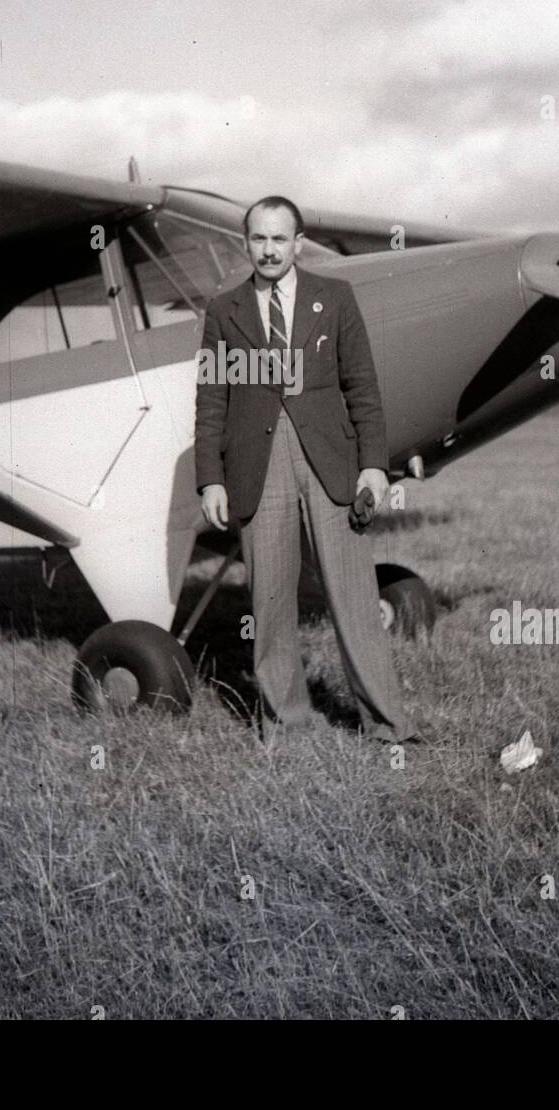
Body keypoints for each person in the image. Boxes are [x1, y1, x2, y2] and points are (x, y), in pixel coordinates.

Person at [193, 195, 425, 744]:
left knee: (352, 595)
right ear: (244, 243)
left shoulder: (335, 298)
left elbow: (362, 389)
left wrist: (373, 467)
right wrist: (211, 478)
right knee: (270, 599)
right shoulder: (222, 311)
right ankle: (285, 725)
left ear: (298, 243)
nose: (269, 250)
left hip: (330, 463)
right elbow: (210, 399)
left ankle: (388, 725)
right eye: (258, 238)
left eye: (279, 238)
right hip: (256, 466)